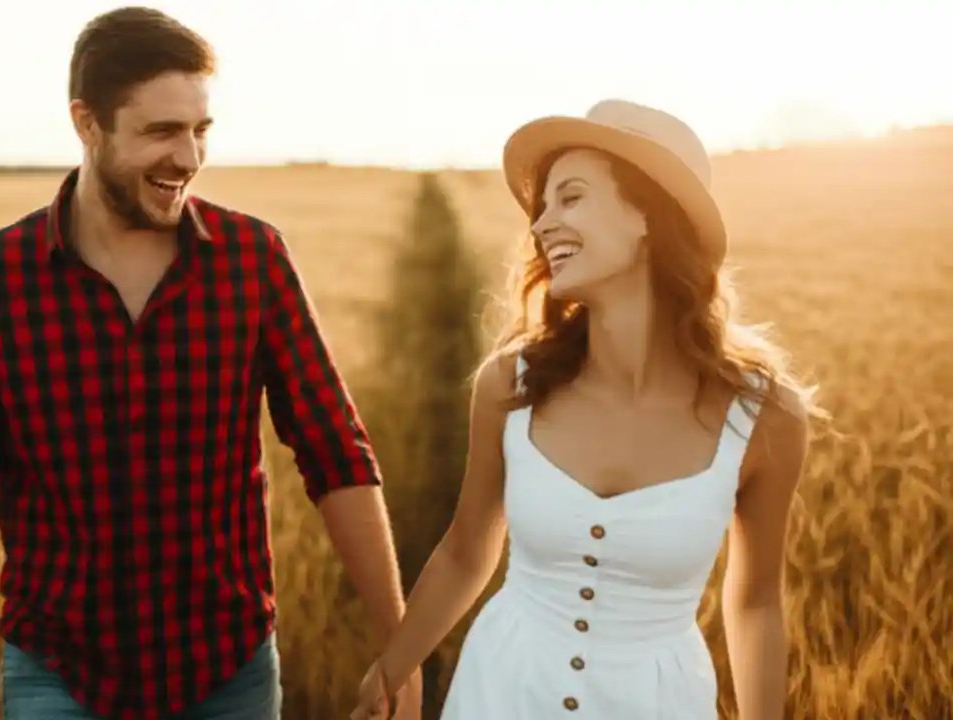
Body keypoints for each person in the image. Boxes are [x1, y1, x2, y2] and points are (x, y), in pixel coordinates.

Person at [0, 7, 422, 720]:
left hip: (226, 672)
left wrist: (398, 646)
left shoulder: (252, 261)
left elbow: (335, 455)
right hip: (59, 675)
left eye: (200, 131)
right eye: (161, 131)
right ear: (87, 124)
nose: (189, 158)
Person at [351, 99, 822, 719]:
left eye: (569, 198)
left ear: (648, 214)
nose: (542, 225)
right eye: (541, 207)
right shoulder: (510, 384)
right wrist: (392, 669)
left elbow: (756, 601)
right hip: (502, 692)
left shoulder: (766, 418)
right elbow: (468, 548)